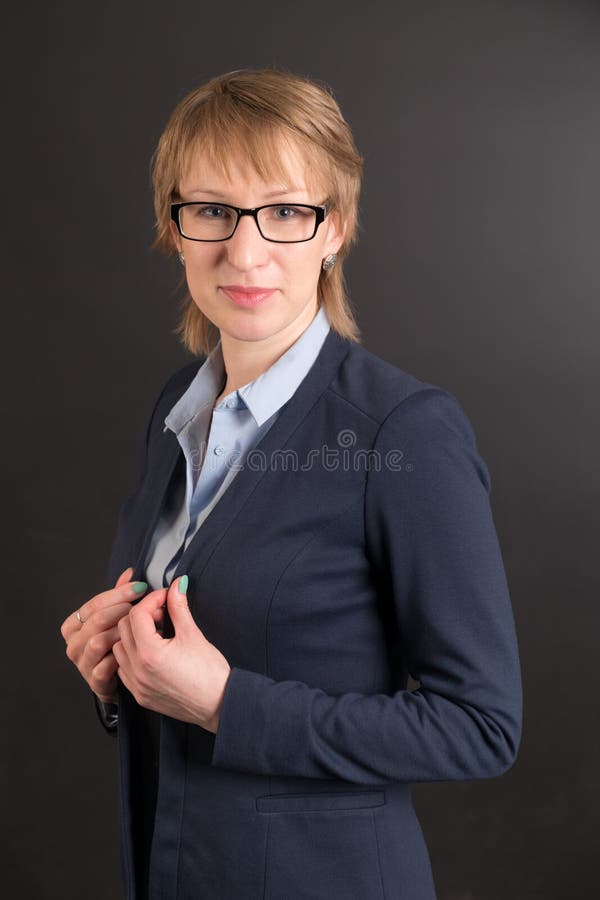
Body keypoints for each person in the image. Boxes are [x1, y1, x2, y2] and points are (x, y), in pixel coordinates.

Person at [61, 67, 523, 900]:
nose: (245, 251)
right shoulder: (176, 407)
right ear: (175, 228)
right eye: (211, 212)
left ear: (335, 228)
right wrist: (123, 668)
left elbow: (481, 728)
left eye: (284, 212)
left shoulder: (405, 432)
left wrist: (225, 703)